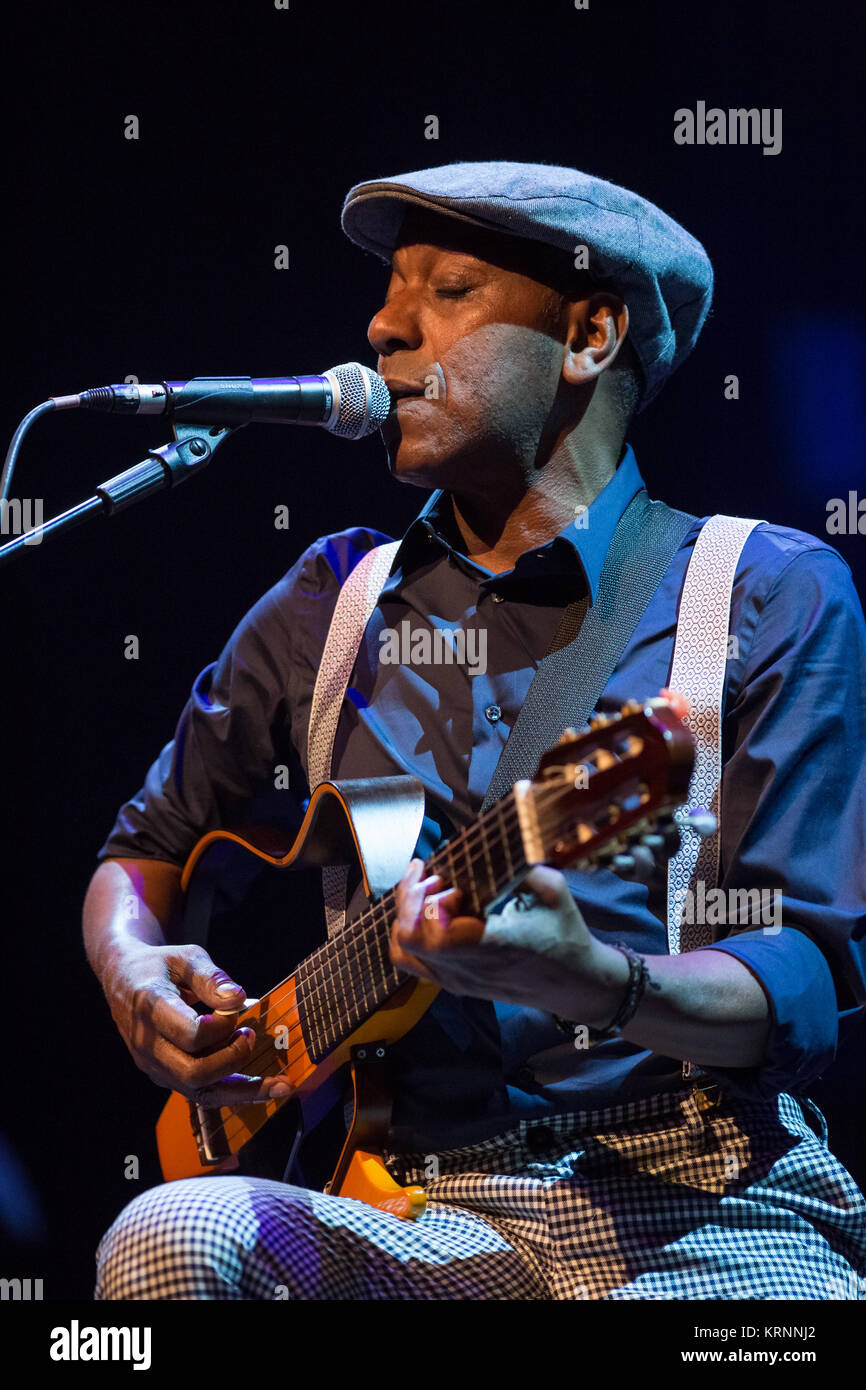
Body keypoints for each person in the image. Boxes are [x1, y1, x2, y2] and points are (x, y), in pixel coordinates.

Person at [85, 161, 866, 1300]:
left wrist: (599, 981)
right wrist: (135, 970)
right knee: (167, 1234)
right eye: (389, 291)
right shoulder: (329, 601)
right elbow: (140, 852)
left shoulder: (763, 590)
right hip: (402, 1204)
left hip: (697, 1198)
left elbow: (803, 972)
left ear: (588, 333)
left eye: (445, 289)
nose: (382, 325)